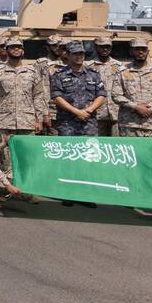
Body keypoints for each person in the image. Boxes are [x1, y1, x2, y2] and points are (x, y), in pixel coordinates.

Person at [50, 41, 106, 208]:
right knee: (69, 159)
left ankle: (85, 194)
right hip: (68, 123)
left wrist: (89, 110)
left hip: (89, 123)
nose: (79, 56)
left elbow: (101, 94)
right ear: (68, 55)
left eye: (81, 53)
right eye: (75, 54)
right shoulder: (59, 75)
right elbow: (57, 97)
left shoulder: (94, 74)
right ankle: (68, 193)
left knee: (88, 160)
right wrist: (76, 112)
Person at [111, 37, 152, 142]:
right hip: (130, 125)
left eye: (143, 49)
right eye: (137, 49)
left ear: (147, 51)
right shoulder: (122, 72)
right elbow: (115, 95)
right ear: (131, 51)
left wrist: (151, 107)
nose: (140, 52)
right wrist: (136, 107)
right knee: (132, 155)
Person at [91, 36, 122, 136]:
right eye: (102, 46)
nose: (105, 49)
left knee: (116, 144)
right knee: (97, 143)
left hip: (116, 113)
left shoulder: (119, 66)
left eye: (107, 47)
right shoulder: (88, 66)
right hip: (96, 113)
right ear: (96, 47)